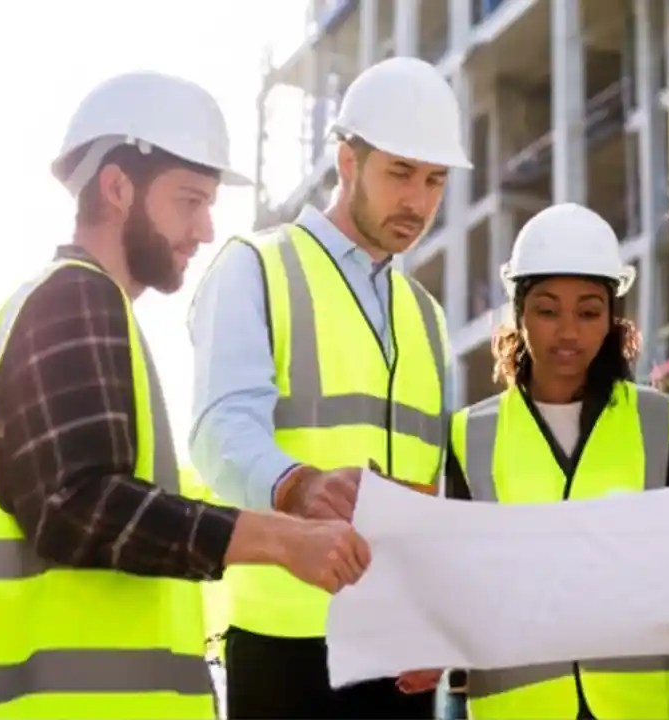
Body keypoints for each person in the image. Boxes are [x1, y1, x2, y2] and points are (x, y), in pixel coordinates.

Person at [0, 71, 371, 720]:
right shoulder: (74, 298)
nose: (204, 229)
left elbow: (129, 499)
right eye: (190, 201)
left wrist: (295, 497)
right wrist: (280, 541)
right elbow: (78, 506)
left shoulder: (96, 312)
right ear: (117, 189)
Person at [187, 56, 470, 719]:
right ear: (347, 164)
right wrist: (298, 484)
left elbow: (427, 492)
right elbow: (220, 434)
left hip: (397, 651)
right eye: (399, 173)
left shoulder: (425, 316)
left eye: (434, 180)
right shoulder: (258, 267)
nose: (418, 201)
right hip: (286, 639)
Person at [443, 202, 669, 720]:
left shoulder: (665, 423)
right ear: (519, 313)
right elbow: (459, 586)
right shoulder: (469, 435)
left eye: (588, 312)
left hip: (648, 707)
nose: (568, 331)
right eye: (547, 310)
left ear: (612, 320)